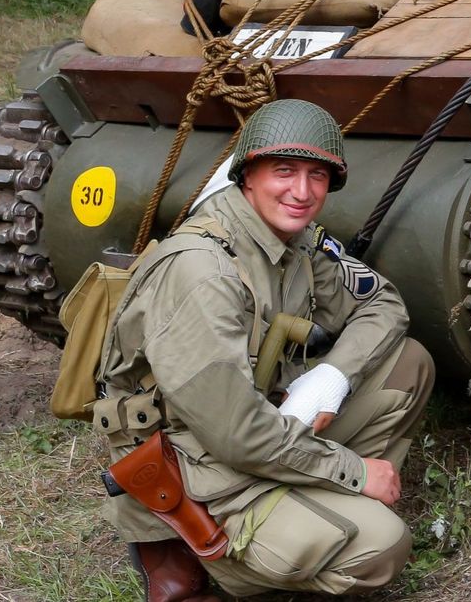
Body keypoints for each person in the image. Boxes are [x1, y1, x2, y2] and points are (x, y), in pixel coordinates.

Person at [94, 98, 433, 600]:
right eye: (284, 170)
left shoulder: (293, 241)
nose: (302, 191)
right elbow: (235, 435)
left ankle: (305, 501)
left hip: (254, 417)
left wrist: (330, 379)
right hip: (187, 455)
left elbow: (383, 305)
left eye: (317, 175)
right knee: (380, 548)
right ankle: (189, 545)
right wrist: (354, 472)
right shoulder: (204, 273)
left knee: (409, 363)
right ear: (247, 174)